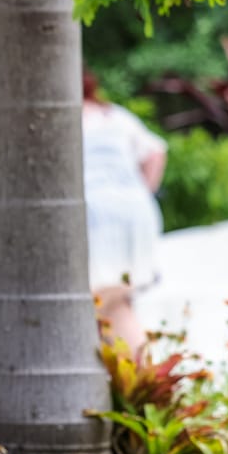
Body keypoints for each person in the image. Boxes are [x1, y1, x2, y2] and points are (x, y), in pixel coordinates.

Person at [82, 70, 167, 353]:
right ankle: (131, 384)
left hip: (98, 217)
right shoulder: (114, 115)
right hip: (137, 210)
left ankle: (141, 385)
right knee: (113, 302)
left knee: (109, 304)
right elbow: (156, 151)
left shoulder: (60, 116)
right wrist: (142, 190)